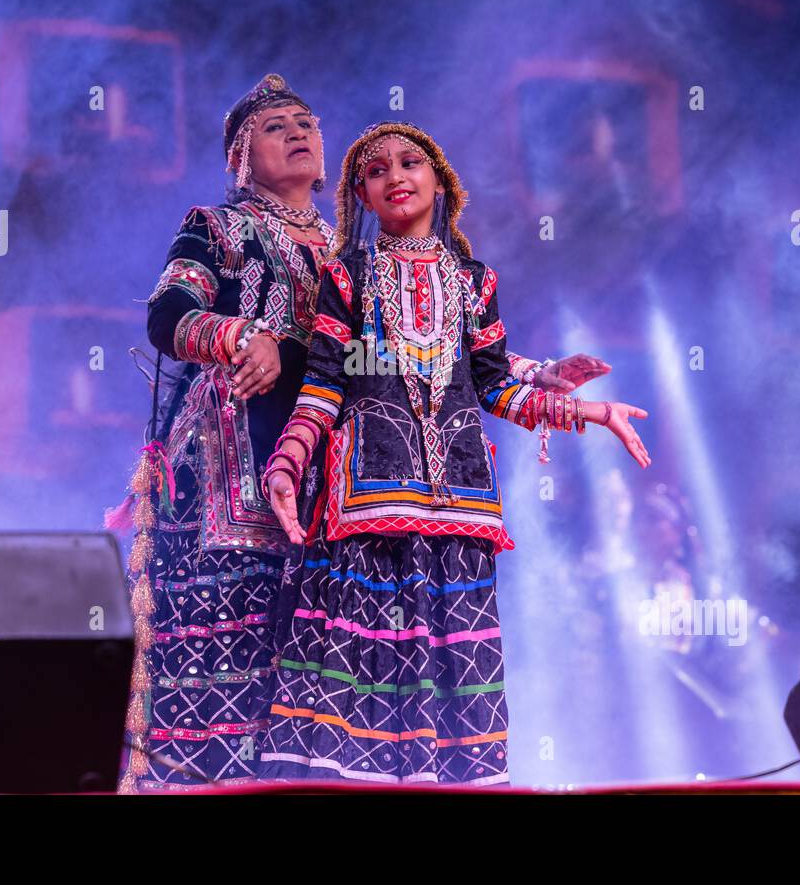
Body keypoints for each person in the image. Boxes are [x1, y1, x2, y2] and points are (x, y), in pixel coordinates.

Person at [107, 79, 607, 792]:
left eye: (305, 122)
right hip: (234, 473)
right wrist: (243, 334)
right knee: (228, 662)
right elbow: (167, 313)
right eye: (273, 126)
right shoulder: (217, 227)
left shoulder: (352, 254)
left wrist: (540, 374)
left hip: (339, 488)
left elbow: (425, 352)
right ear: (238, 159)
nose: (296, 131)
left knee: (313, 678)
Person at [259, 121, 651, 785]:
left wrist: (588, 411)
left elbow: (492, 383)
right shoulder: (348, 279)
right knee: (360, 703)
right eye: (377, 171)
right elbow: (324, 384)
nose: (396, 176)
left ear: (438, 180)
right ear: (363, 196)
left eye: (410, 162)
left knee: (458, 701)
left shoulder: (475, 282)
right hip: (371, 511)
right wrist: (288, 461)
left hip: (459, 512)